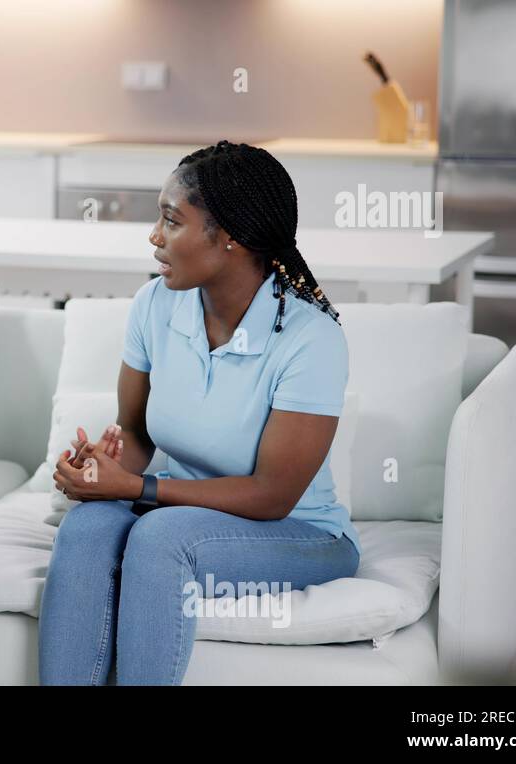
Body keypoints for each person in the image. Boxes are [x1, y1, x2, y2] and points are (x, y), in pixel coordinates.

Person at [38, 141, 362, 685]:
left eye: (171, 220)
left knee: (162, 539)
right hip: (179, 511)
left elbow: (272, 495)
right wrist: (104, 466)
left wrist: (138, 489)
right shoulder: (155, 306)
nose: (154, 237)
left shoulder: (311, 339)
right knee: (89, 525)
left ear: (231, 236)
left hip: (295, 530)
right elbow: (136, 431)